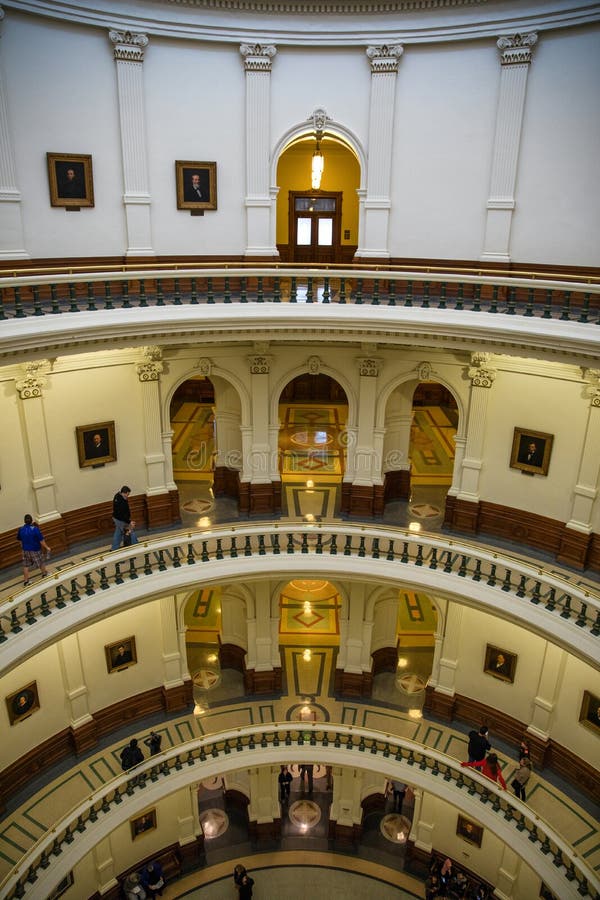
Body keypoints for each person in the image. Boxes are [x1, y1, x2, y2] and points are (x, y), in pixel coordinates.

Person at [16, 514, 50, 585]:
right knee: (41, 562)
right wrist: (47, 547)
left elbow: (19, 540)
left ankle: (26, 581)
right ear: (32, 521)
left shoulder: (21, 529)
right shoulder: (35, 529)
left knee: (25, 565)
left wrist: (22, 546)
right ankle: (44, 574)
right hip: (35, 549)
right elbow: (41, 540)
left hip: (25, 550)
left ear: (24, 521)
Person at [111, 485, 138, 551]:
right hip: (120, 520)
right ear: (124, 493)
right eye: (127, 494)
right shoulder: (121, 501)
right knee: (130, 531)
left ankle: (114, 548)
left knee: (118, 533)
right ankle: (136, 545)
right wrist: (129, 522)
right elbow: (122, 515)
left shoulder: (118, 495)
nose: (128, 496)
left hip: (117, 519)